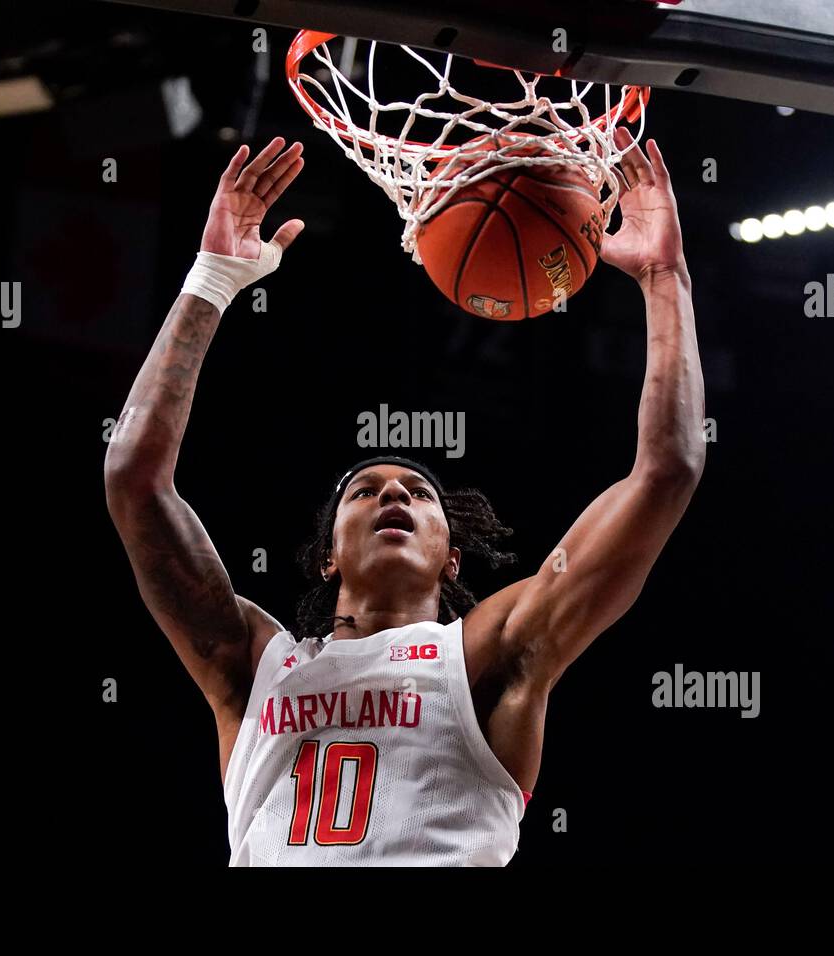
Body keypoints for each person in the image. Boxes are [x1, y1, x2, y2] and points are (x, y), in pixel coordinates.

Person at [104, 130, 705, 865]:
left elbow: (666, 471)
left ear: (452, 559)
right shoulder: (251, 663)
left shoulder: (492, 652)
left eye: (419, 492)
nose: (393, 494)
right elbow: (134, 479)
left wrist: (664, 278)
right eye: (364, 491)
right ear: (328, 556)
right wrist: (212, 279)